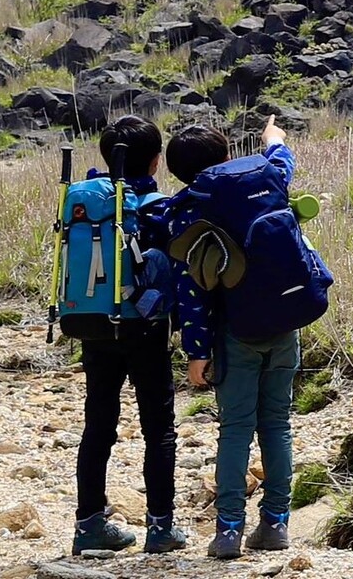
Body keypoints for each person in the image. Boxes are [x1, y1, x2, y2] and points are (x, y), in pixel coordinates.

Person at [165, 117, 299, 560]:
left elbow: (191, 288)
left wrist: (196, 352)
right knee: (277, 423)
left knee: (235, 430)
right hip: (284, 320)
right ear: (226, 156)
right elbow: (282, 159)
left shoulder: (190, 205)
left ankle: (228, 532)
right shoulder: (266, 176)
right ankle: (276, 523)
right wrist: (272, 139)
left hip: (232, 331)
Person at [71, 115, 188, 556]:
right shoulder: (156, 205)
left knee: (97, 425)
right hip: (145, 326)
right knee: (159, 428)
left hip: (94, 323)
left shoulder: (91, 199)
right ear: (157, 161)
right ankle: (161, 527)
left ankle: (88, 525)